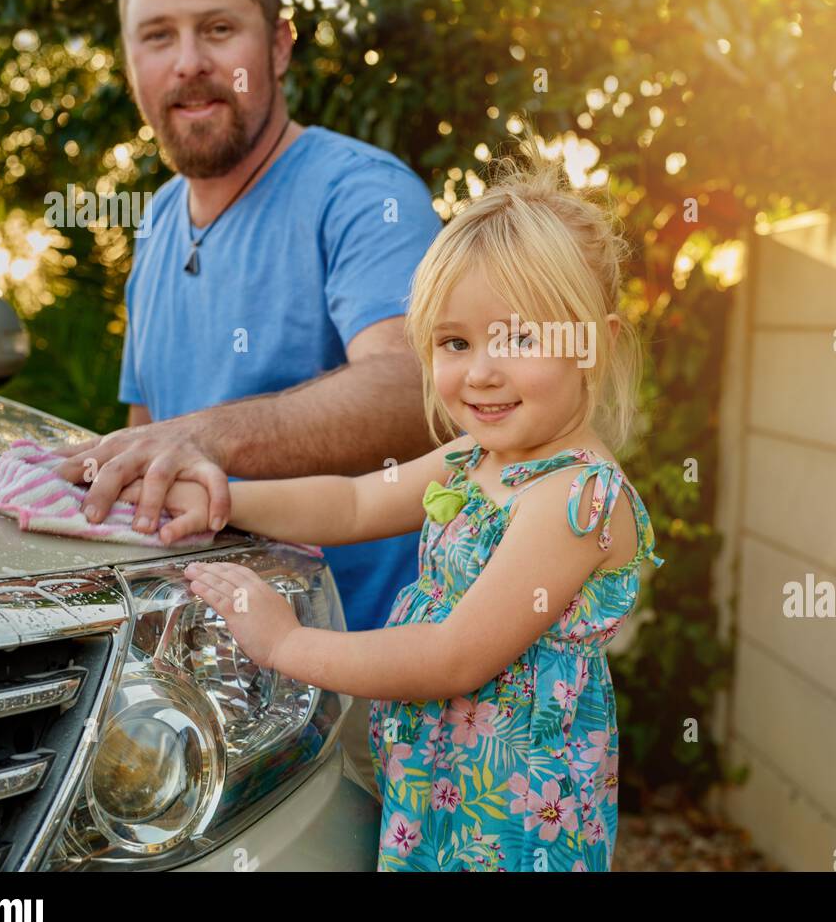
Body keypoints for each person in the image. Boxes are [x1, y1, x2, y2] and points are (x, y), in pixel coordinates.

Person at [129, 136, 664, 871]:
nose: (481, 372)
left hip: (512, 838)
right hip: (436, 805)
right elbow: (350, 504)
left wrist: (286, 645)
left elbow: (452, 658)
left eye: (520, 338)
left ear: (593, 349)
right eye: (454, 341)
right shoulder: (477, 457)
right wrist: (224, 499)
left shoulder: (574, 497)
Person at [53, 0, 442, 797]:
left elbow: (416, 387)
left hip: (374, 714)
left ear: (279, 47)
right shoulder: (153, 225)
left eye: (217, 28)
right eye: (158, 35)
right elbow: (145, 443)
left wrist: (210, 439)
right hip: (205, 719)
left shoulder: (363, 195)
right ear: (131, 65)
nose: (187, 60)